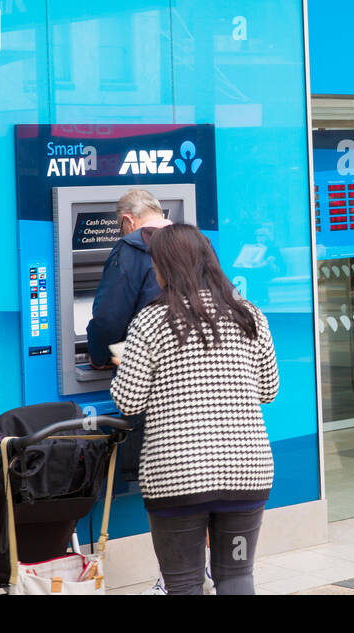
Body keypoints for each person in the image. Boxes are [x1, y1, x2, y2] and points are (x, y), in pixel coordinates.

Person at [110, 223, 279, 596]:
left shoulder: (152, 321)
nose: (153, 272)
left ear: (166, 268)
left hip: (178, 475)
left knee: (183, 582)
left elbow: (129, 401)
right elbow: (269, 390)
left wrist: (128, 367)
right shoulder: (249, 314)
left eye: (156, 264)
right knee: (236, 576)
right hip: (246, 471)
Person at [85, 188, 171, 370]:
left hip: (143, 365)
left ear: (128, 220)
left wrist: (99, 356)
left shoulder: (130, 249)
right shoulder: (198, 242)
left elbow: (109, 318)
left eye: (120, 228)